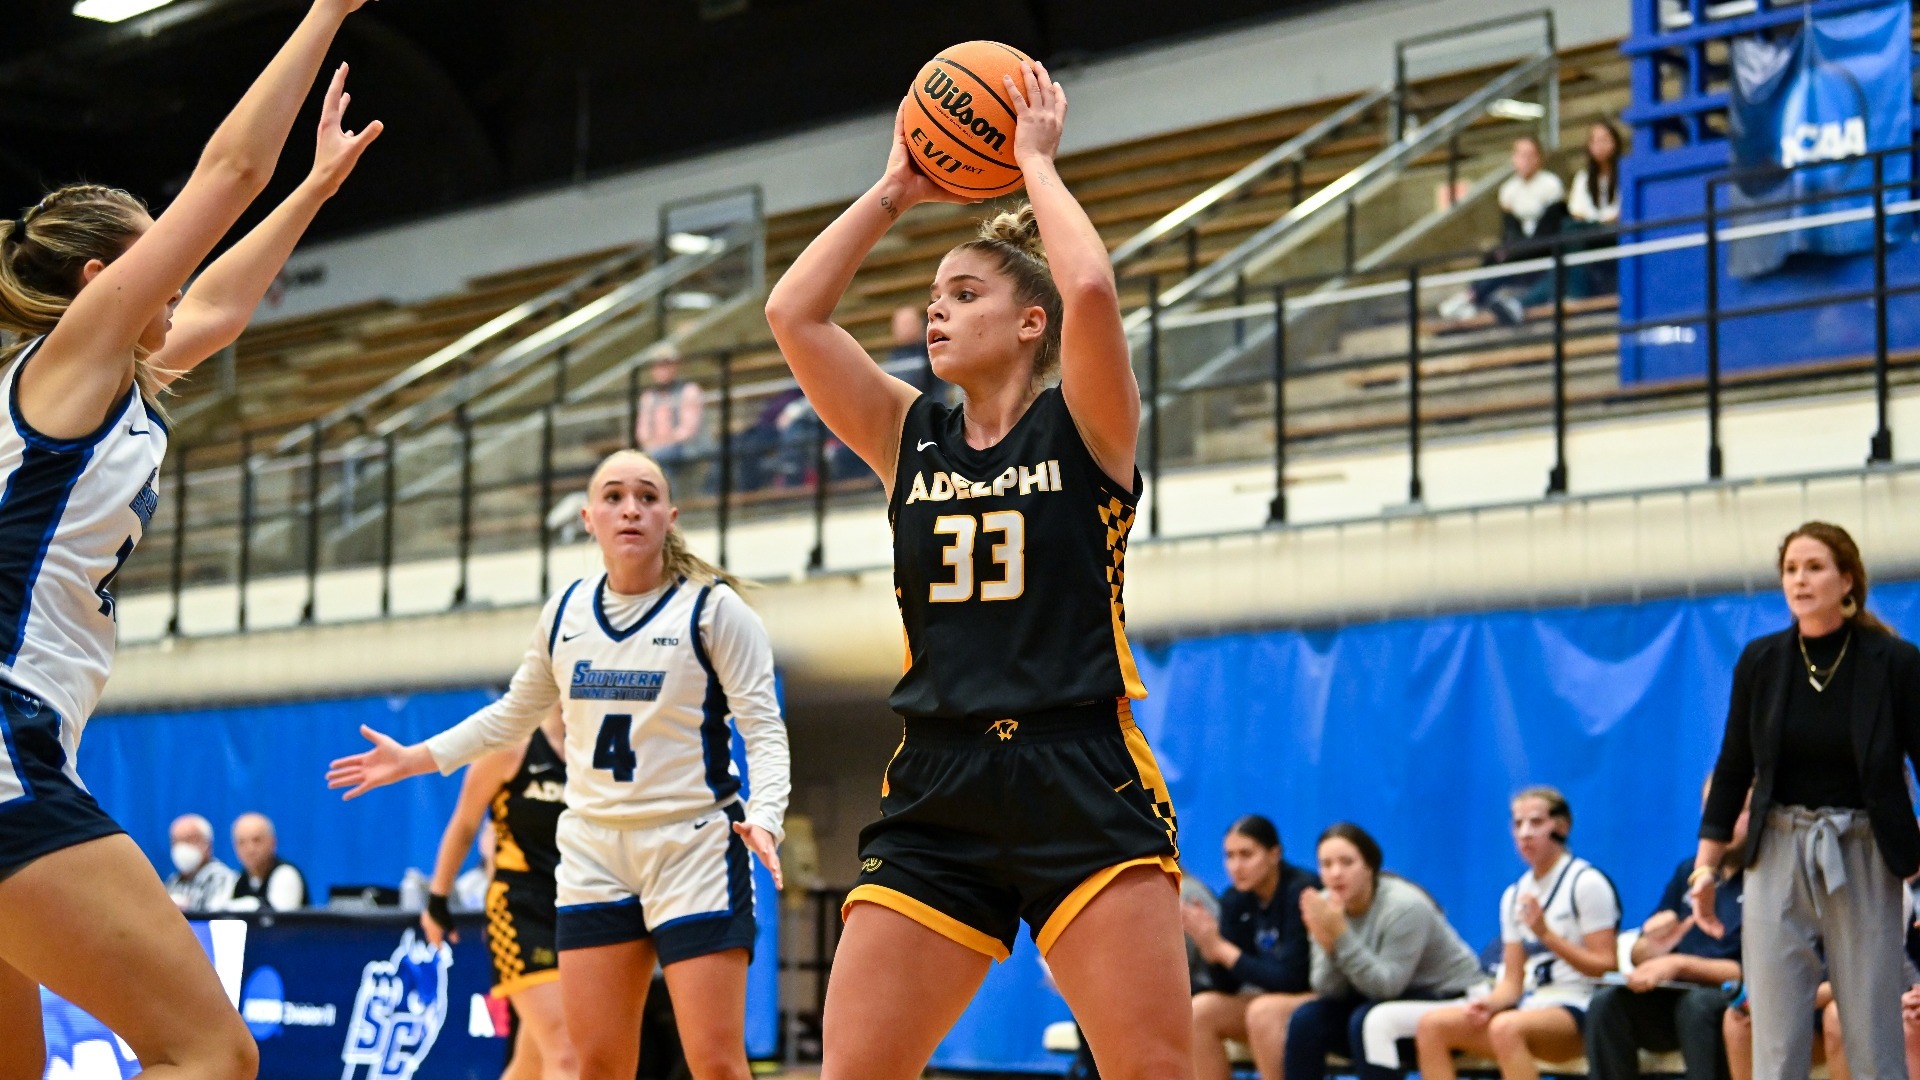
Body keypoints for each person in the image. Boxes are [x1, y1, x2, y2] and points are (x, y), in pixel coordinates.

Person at [764, 61, 1190, 1080]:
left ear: (1029, 323)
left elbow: (1087, 283)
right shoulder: (908, 434)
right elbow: (795, 315)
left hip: (1079, 769)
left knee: (1155, 1070)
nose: (934, 314)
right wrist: (894, 193)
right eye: (931, 296)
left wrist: (1033, 161)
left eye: (964, 292)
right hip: (939, 778)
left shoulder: (1086, 423)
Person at [0, 3, 381, 1076]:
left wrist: (315, 190)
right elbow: (223, 173)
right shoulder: (69, 364)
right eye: (152, 261)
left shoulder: (104, 386)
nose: (178, 276)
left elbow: (217, 305)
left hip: (23, 736)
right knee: (209, 1051)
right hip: (4, 741)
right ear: (101, 285)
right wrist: (325, 14)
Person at [328, 448, 790, 1080]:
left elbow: (764, 728)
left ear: (670, 517)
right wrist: (416, 757)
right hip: (594, 852)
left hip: (692, 845)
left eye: (648, 497)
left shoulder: (714, 612)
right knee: (593, 1064)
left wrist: (766, 813)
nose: (631, 508)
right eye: (614, 496)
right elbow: (510, 717)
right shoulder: (567, 611)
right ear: (587, 517)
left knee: (715, 1065)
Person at [1694, 521, 1920, 1080]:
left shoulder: (1893, 662)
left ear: (1847, 581)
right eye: (1791, 569)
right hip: (1776, 848)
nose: (1799, 579)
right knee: (1773, 1028)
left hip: (1865, 847)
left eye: (1814, 567)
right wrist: (1705, 867)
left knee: (1870, 1027)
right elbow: (1732, 767)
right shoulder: (1762, 661)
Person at [1416, 787, 1620, 1080]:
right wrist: (1489, 1003)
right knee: (1432, 1027)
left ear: (1561, 827)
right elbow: (1512, 981)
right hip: (1531, 1005)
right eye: (1518, 823)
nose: (1525, 833)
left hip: (1580, 1007)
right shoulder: (1514, 894)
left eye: (1536, 823)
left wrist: (1546, 935)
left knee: (1506, 1028)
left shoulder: (1586, 883)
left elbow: (1605, 966)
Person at [419, 707, 577, 1080]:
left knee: (533, 1060)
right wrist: (437, 900)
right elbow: (464, 825)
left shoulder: (597, 753)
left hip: (579, 909)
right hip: (520, 908)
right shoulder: (512, 748)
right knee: (566, 1051)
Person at [1288, 822, 1485, 1080]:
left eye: (1347, 863)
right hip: (1382, 1002)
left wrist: (1340, 936)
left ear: (1369, 866)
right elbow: (1328, 991)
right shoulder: (1324, 905)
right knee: (1307, 1019)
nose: (1336, 873)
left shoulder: (1404, 906)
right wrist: (1327, 946)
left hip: (1450, 999)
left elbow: (1387, 987)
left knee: (1367, 1020)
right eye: (1326, 865)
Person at [1584, 779, 1748, 1080]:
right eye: (1716, 811)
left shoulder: (1767, 877)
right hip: (1678, 1001)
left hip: (1734, 1002)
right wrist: (1652, 946)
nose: (1726, 820)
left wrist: (1679, 963)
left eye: (1739, 810)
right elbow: (1641, 955)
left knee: (1698, 1008)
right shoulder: (1691, 872)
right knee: (1607, 1006)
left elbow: (1759, 974)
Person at [1181, 815, 1318, 1080]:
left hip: (1314, 996)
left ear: (1274, 854)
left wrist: (1224, 951)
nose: (1236, 866)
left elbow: (1293, 979)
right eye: (1229, 856)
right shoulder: (1235, 900)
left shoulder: (1301, 891)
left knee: (1262, 1012)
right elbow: (1228, 986)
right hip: (1268, 998)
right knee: (1199, 1010)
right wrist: (1210, 949)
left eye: (1246, 855)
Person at [1445, 135, 1567, 325]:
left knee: (1504, 264)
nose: (1525, 160)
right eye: (1520, 155)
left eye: (1530, 155)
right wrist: (1507, 249)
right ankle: (1472, 297)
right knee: (1492, 255)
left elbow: (1548, 230)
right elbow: (1510, 229)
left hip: (1542, 249)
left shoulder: (1551, 185)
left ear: (1539, 158)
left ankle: (1472, 297)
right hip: (1518, 249)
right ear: (1513, 158)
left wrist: (1513, 251)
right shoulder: (1508, 190)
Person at [634, 348, 707, 485]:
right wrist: (654, 444)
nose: (662, 370)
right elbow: (642, 432)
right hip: (656, 449)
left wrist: (664, 442)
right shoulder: (648, 397)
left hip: (687, 448)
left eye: (666, 364)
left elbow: (688, 430)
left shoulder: (689, 391)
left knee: (658, 461)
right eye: (657, 365)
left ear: (676, 366)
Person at [1566, 121, 1622, 297]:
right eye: (1595, 141)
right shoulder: (1583, 178)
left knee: (1573, 232)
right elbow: (1576, 213)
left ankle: (1577, 294)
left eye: (1605, 139)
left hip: (1615, 233)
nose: (1600, 145)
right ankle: (1578, 292)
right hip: (1590, 232)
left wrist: (1599, 221)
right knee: (1569, 228)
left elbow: (1620, 214)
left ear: (1615, 143)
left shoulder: (1625, 173)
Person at [226, 812, 307, 911]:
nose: (250, 849)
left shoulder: (286, 874)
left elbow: (279, 920)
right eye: (241, 842)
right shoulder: (238, 881)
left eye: (256, 840)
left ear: (273, 842)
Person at [163, 813, 239, 914]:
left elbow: (216, 917)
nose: (182, 847)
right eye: (176, 841)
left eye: (189, 839)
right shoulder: (173, 882)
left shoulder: (222, 879)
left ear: (208, 844)